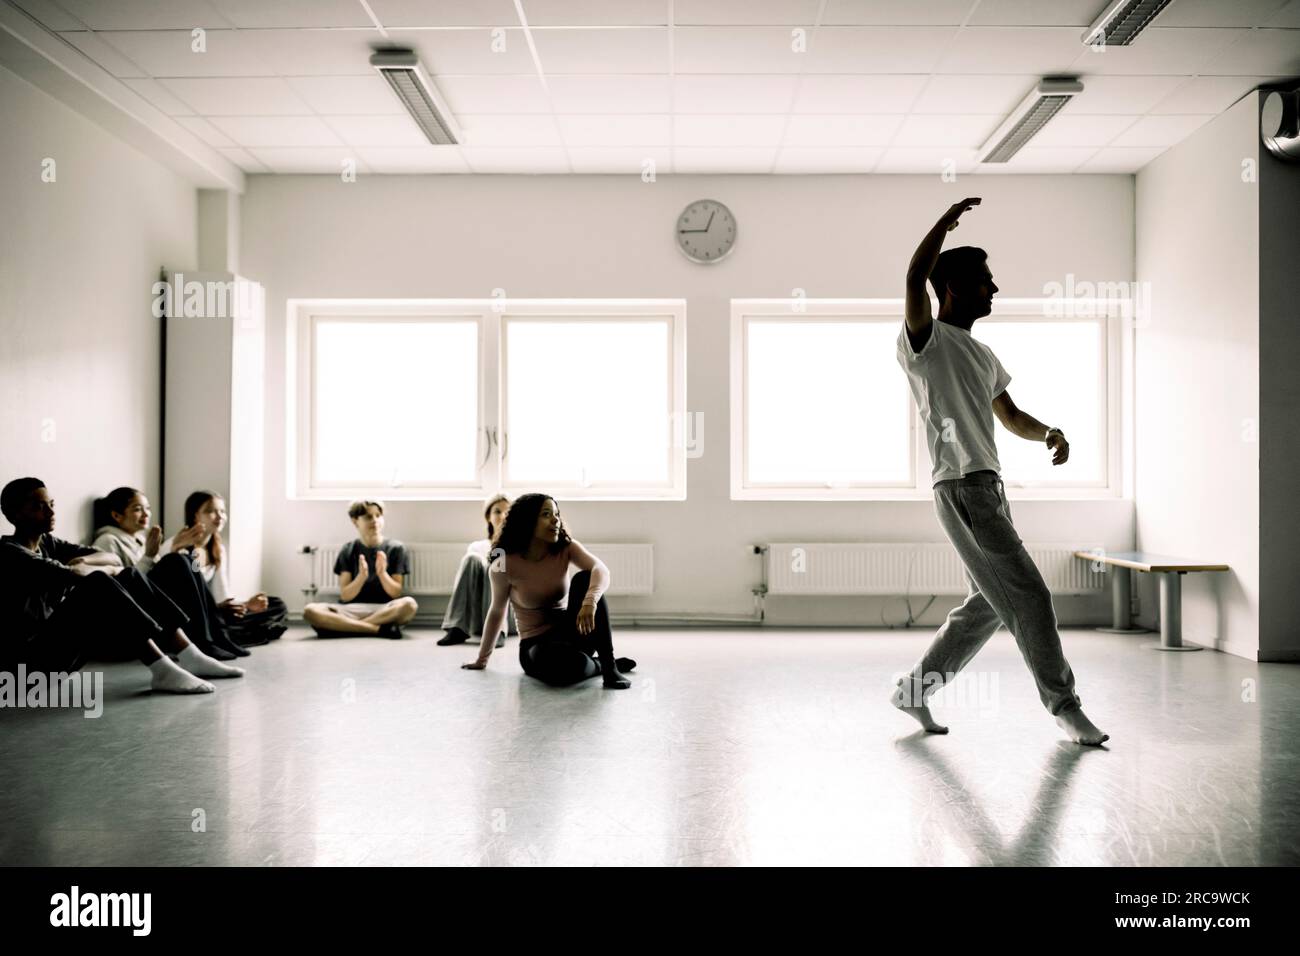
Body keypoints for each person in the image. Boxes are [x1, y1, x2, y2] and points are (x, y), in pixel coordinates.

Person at [890, 197, 1108, 746]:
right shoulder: (926, 341)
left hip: (987, 485)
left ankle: (915, 691)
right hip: (962, 486)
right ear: (955, 288)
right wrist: (943, 224)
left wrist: (1049, 433)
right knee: (1031, 594)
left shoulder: (983, 354)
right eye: (985, 281)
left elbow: (1010, 415)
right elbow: (916, 274)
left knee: (988, 604)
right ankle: (1064, 705)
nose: (994, 289)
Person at [0, 477, 243, 693]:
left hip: (59, 659)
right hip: (25, 670)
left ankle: (188, 654)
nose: (50, 512)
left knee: (127, 575)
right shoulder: (10, 554)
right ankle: (163, 668)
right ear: (13, 514)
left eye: (51, 504)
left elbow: (110, 559)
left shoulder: (48, 543)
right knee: (98, 583)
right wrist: (84, 569)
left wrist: (84, 562)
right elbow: (75, 575)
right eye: (38, 507)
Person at [461, 493, 634, 689]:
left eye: (557, 514)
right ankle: (599, 664)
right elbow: (497, 611)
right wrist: (481, 659)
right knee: (564, 670)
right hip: (537, 646)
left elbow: (600, 569)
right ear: (527, 520)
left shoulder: (565, 547)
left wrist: (590, 601)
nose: (556, 520)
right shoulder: (502, 563)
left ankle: (610, 668)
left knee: (585, 578)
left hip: (572, 633)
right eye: (546, 514)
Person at [91, 486, 248, 661]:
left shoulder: (141, 540)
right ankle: (205, 640)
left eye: (148, 509)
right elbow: (121, 585)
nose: (146, 514)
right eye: (137, 509)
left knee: (187, 560)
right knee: (179, 560)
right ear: (116, 515)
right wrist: (160, 553)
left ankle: (217, 636)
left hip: (169, 602)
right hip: (138, 609)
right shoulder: (107, 541)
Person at [157, 491, 287, 648]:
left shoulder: (217, 549)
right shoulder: (179, 547)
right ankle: (244, 633)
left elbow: (221, 594)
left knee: (277, 605)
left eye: (222, 511)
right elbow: (176, 592)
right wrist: (220, 609)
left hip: (213, 611)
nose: (219, 516)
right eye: (211, 511)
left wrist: (245, 605)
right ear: (195, 516)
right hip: (189, 616)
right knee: (220, 624)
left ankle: (241, 631)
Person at [302, 499, 418, 638]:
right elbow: (345, 595)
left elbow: (395, 593)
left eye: (378, 515)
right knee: (310, 611)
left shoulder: (396, 548)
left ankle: (344, 628)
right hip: (351, 609)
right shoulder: (348, 549)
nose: (375, 520)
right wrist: (361, 577)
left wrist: (382, 573)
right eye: (368, 516)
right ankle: (377, 630)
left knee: (409, 605)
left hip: (384, 610)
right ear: (355, 521)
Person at [438, 494, 518, 648]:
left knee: (497, 562)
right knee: (472, 558)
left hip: (508, 617)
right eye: (497, 511)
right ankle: (457, 628)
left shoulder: (520, 547)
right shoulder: (477, 547)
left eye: (507, 512)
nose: (503, 516)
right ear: (489, 516)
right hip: (478, 616)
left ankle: (497, 632)